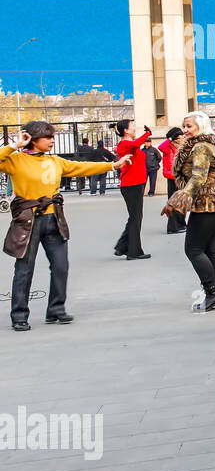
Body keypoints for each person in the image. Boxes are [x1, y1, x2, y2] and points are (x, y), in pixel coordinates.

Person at [1, 122, 131, 331]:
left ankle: (56, 309)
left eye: (53, 136)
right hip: (28, 221)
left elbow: (81, 167)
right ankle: (19, 315)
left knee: (61, 266)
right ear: (33, 139)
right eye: (48, 137)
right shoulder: (16, 160)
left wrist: (113, 165)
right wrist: (15, 145)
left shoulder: (55, 161)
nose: (52, 140)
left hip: (54, 219)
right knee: (24, 269)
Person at [163, 111, 215, 312]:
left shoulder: (201, 146)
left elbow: (198, 177)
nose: (185, 130)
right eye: (184, 126)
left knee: (193, 249)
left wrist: (178, 200)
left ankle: (214, 293)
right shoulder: (197, 144)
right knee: (209, 250)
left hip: (207, 202)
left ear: (200, 126)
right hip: (211, 201)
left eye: (189, 126)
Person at [113, 118, 152, 260]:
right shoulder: (124, 144)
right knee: (136, 218)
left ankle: (122, 247)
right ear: (126, 130)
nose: (135, 128)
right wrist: (147, 133)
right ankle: (133, 252)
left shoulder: (130, 145)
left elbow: (136, 145)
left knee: (134, 218)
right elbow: (136, 143)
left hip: (136, 184)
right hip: (131, 185)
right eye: (132, 126)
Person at [156, 127, 188, 235]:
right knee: (173, 202)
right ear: (175, 138)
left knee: (182, 202)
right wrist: (169, 139)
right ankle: (173, 227)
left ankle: (181, 224)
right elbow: (161, 146)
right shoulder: (168, 147)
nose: (182, 139)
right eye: (180, 137)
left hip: (181, 177)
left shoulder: (183, 147)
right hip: (172, 177)